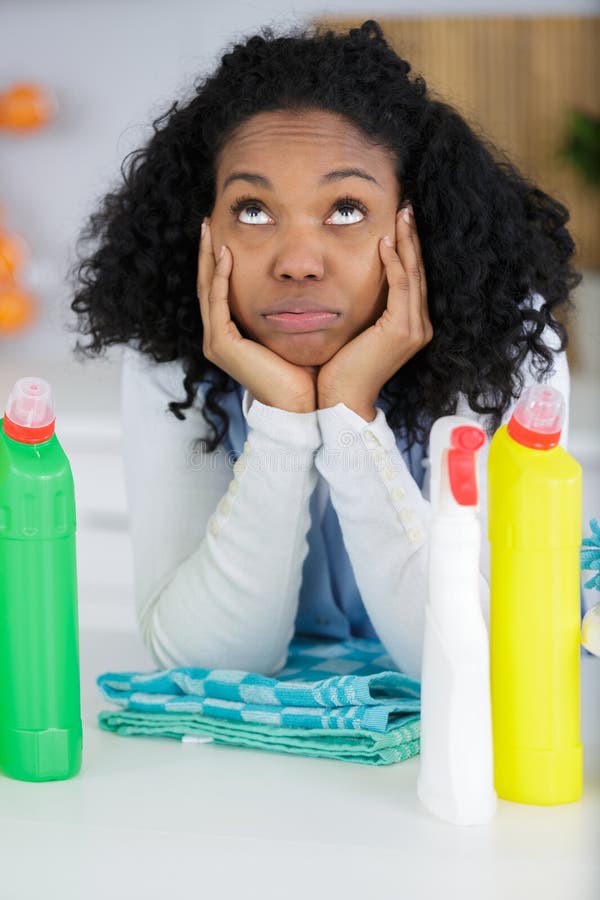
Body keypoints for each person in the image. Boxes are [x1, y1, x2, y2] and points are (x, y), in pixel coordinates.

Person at [70, 20, 580, 679]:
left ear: (415, 221)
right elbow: (199, 660)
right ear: (204, 232)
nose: (298, 263)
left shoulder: (504, 344)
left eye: (345, 208)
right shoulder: (174, 350)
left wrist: (349, 414)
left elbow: (479, 662)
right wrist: (284, 420)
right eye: (253, 210)